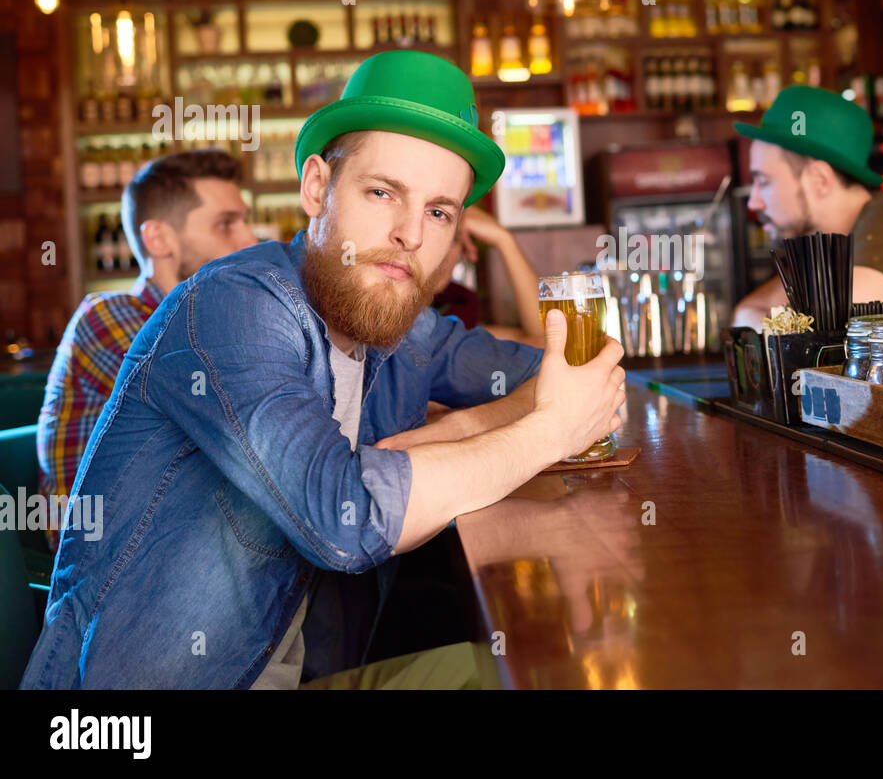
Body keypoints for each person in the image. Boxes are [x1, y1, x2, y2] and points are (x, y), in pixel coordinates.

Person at [21, 50, 625, 690]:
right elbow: (347, 517)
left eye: (439, 211)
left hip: (309, 673)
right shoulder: (237, 306)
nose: (410, 234)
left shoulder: (395, 320)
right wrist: (550, 430)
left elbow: (556, 370)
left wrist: (521, 416)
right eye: (382, 192)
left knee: (538, 668)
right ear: (316, 187)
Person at [35, 148, 258, 553]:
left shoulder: (210, 326)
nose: (250, 240)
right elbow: (239, 421)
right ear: (158, 239)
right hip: (104, 568)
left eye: (245, 220)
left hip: (178, 550)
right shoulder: (107, 318)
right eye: (226, 224)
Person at [731, 85, 883, 330]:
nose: (754, 202)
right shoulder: (832, 250)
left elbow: (819, 333)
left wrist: (761, 324)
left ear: (819, 180)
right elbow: (747, 314)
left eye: (763, 181)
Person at [430, 204, 545, 344]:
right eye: (432, 234)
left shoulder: (457, 302)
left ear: (466, 249)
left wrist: (504, 239)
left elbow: (544, 339)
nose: (444, 254)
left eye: (455, 239)